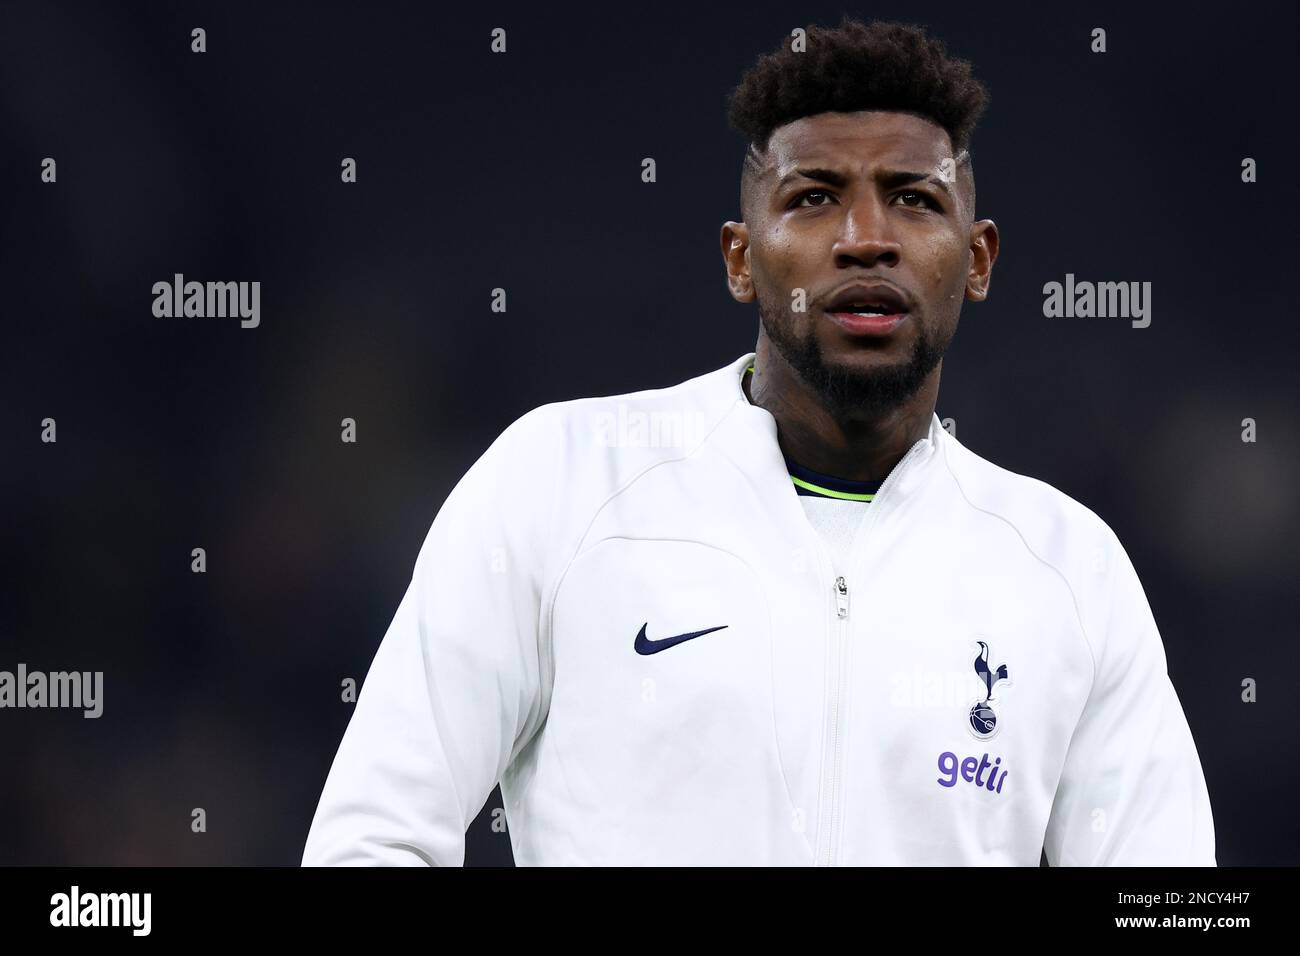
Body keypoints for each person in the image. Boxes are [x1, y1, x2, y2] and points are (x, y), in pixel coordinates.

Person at [302, 17, 1215, 866]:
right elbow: (375, 837)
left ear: (975, 261)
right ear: (742, 258)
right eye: (815, 198)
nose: (866, 240)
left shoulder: (1068, 571)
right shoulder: (562, 482)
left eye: (913, 201)